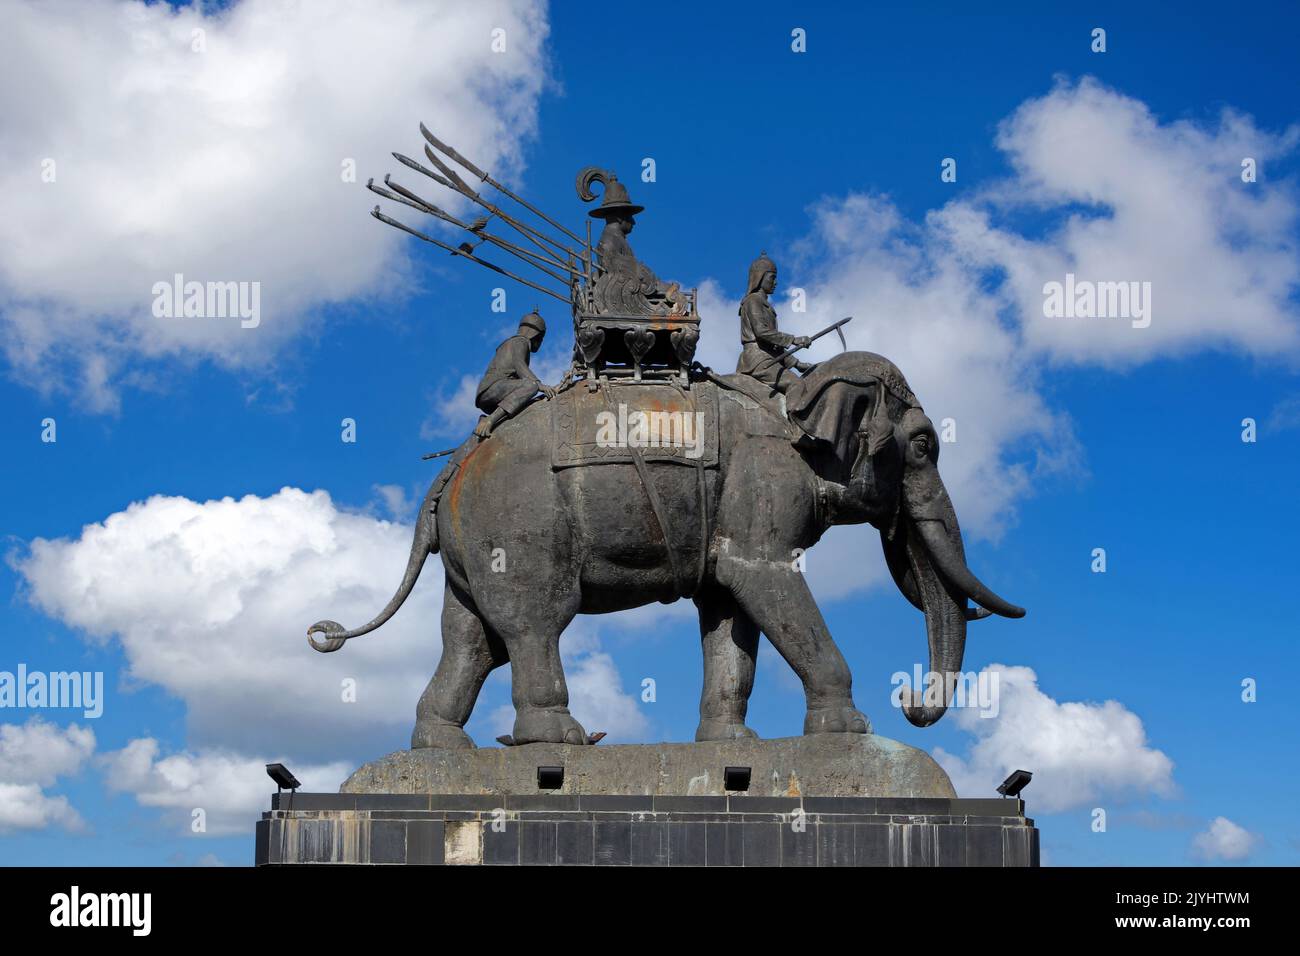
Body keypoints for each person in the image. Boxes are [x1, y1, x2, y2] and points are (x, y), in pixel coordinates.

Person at [735, 252, 815, 393]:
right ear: (760, 278)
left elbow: (772, 346)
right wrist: (794, 340)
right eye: (772, 278)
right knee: (796, 384)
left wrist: (796, 364)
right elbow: (761, 332)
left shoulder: (764, 304)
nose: (776, 282)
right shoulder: (753, 301)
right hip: (757, 361)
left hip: (768, 358)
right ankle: (796, 415)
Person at [472, 309, 555, 439]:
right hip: (494, 387)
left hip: (490, 393)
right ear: (535, 334)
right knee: (530, 386)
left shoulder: (511, 342)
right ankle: (490, 421)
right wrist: (540, 385)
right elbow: (519, 366)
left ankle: (488, 418)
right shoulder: (520, 341)